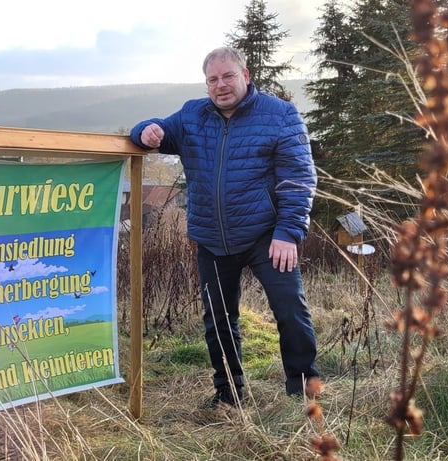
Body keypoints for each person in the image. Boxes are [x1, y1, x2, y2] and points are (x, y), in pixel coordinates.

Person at [129, 46, 319, 408]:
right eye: (212, 80)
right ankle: (228, 395)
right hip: (212, 239)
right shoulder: (192, 116)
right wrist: (145, 131)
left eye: (228, 76)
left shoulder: (280, 115)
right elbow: (153, 132)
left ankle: (304, 392)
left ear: (246, 75)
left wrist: (288, 233)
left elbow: (298, 179)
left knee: (290, 311)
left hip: (267, 235)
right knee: (218, 321)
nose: (220, 85)